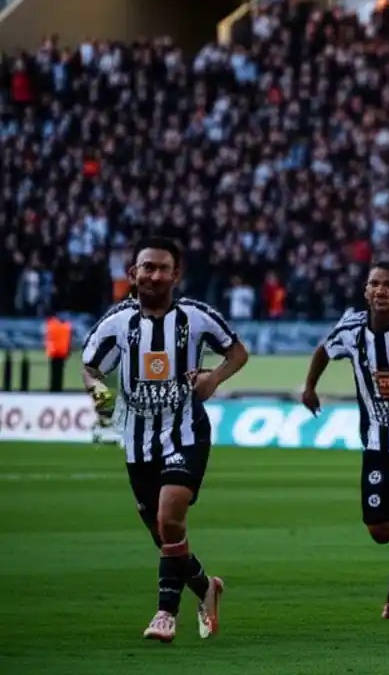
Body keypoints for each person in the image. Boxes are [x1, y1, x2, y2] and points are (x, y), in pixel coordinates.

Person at [81, 236, 249, 642]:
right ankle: (207, 587)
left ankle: (164, 614)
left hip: (186, 432)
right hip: (138, 442)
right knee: (167, 537)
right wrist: (97, 391)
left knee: (169, 517)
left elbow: (238, 352)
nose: (154, 275)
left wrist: (212, 378)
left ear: (177, 274)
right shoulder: (117, 322)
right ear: (132, 274)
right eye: (147, 267)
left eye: (162, 268)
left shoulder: (196, 316)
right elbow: (90, 366)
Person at [301, 262, 389, 619]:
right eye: (374, 284)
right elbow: (323, 351)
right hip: (380, 445)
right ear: (365, 291)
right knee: (380, 531)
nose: (381, 291)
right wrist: (310, 387)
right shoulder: (351, 329)